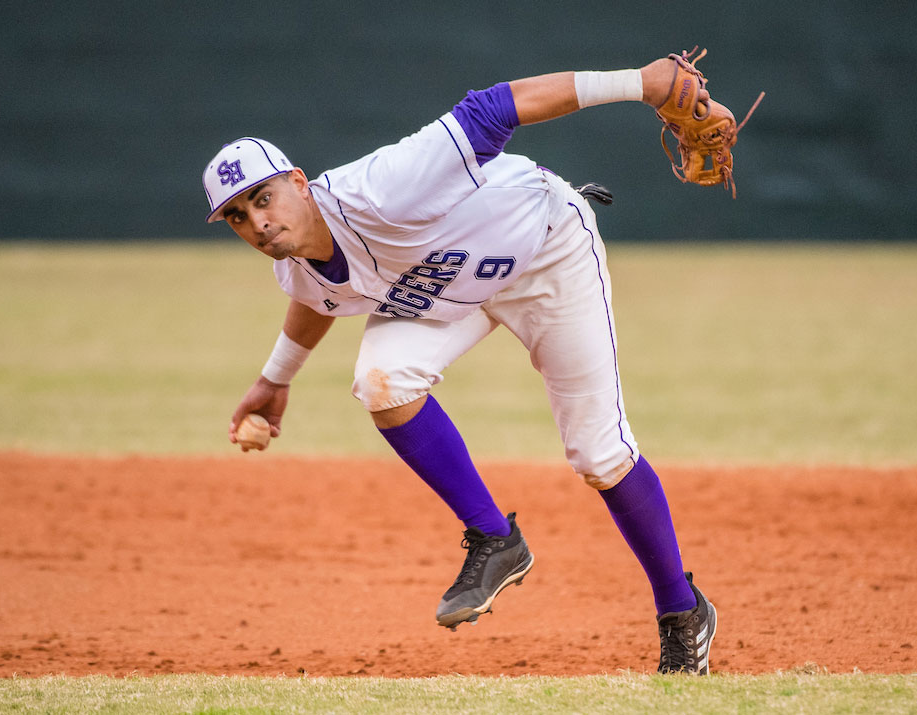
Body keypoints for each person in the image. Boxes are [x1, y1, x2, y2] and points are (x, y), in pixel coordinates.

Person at [205, 54, 717, 674]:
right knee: (381, 381)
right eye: (237, 215)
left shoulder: (383, 186)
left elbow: (494, 106)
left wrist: (642, 84)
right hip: (450, 287)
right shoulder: (294, 263)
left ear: (299, 182)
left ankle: (682, 611)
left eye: (262, 197)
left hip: (547, 253)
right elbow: (316, 298)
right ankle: (496, 538)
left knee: (599, 454)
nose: (257, 221)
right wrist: (273, 380)